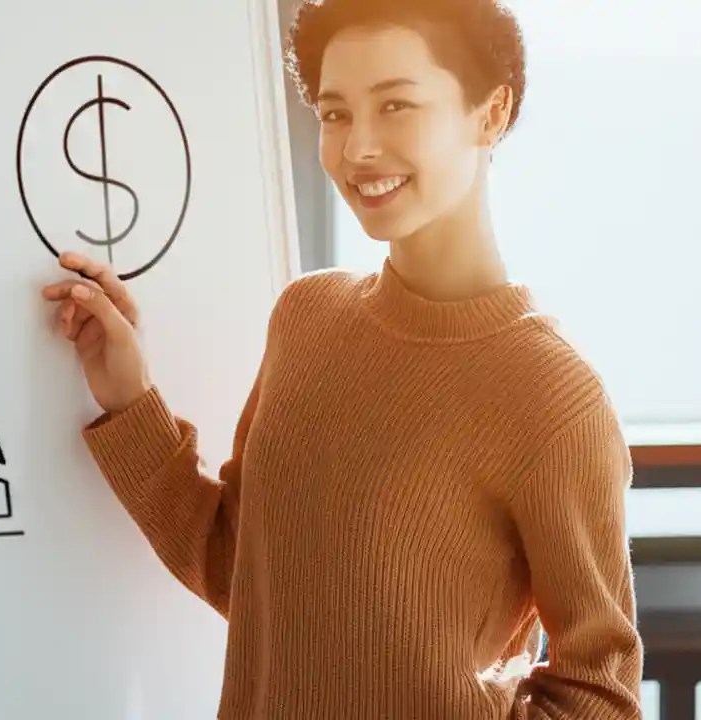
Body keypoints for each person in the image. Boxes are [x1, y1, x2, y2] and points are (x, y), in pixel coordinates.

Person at [40, 0, 643, 717]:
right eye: (334, 113)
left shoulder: (553, 397)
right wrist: (130, 400)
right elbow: (241, 570)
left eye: (396, 105)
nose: (358, 147)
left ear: (491, 112)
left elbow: (600, 693)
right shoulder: (307, 318)